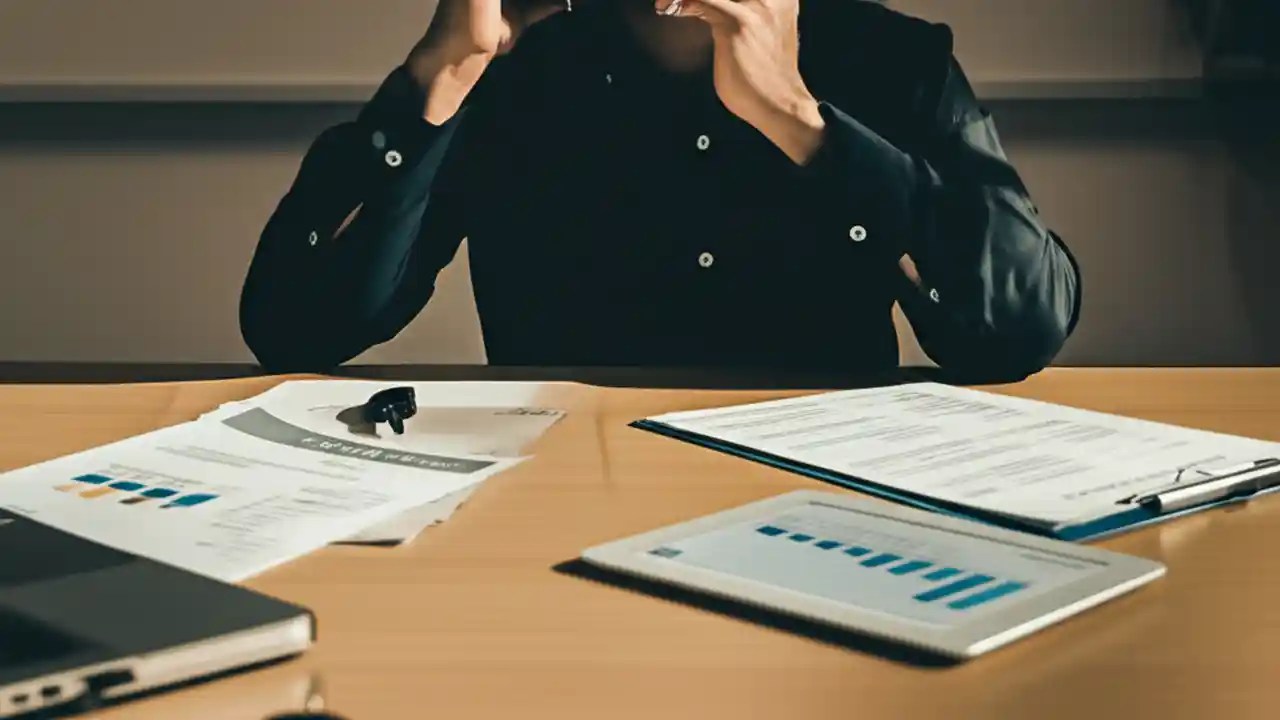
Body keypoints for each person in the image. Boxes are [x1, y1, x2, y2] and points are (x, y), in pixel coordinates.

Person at [240, 0, 1081, 379]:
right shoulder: (514, 68)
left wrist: (799, 119)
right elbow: (294, 328)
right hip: (563, 518)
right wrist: (441, 73)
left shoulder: (886, 60)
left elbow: (1019, 327)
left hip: (829, 514)